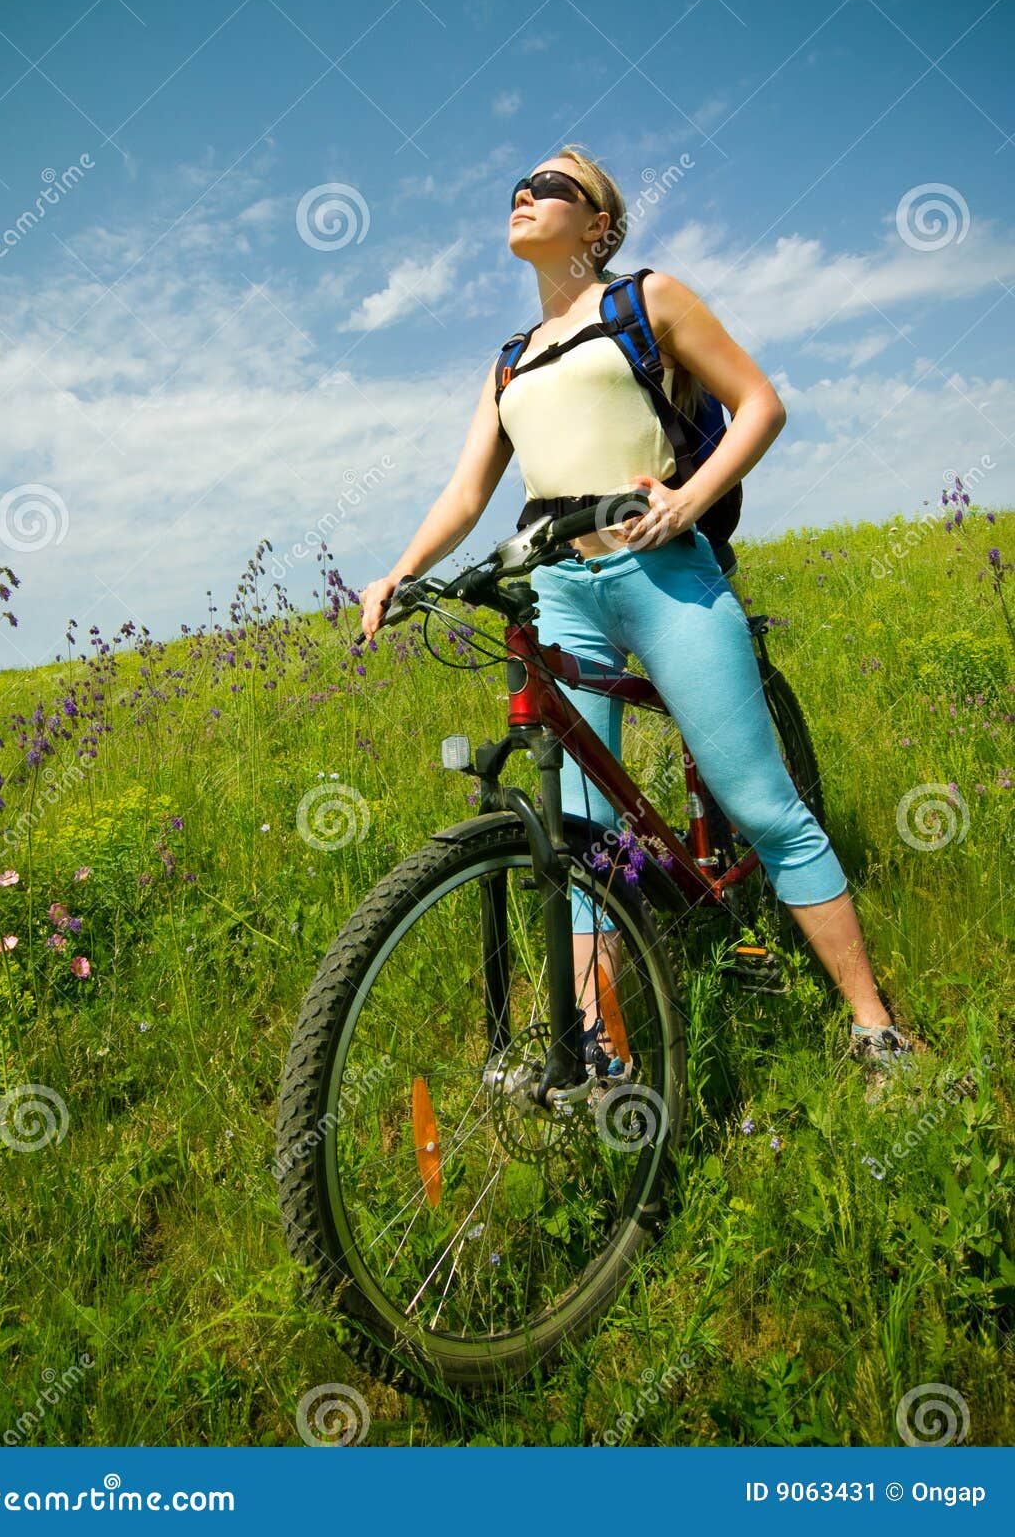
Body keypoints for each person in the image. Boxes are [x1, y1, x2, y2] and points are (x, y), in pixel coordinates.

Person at [359, 144, 913, 1081]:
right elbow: (464, 496)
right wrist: (398, 572)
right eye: (517, 189)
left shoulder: (646, 298)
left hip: (664, 573)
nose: (526, 197)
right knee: (580, 837)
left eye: (552, 189)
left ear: (601, 225)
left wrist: (688, 502)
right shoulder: (507, 366)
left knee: (760, 803)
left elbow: (760, 405)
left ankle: (874, 1026)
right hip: (561, 589)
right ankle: (601, 1055)